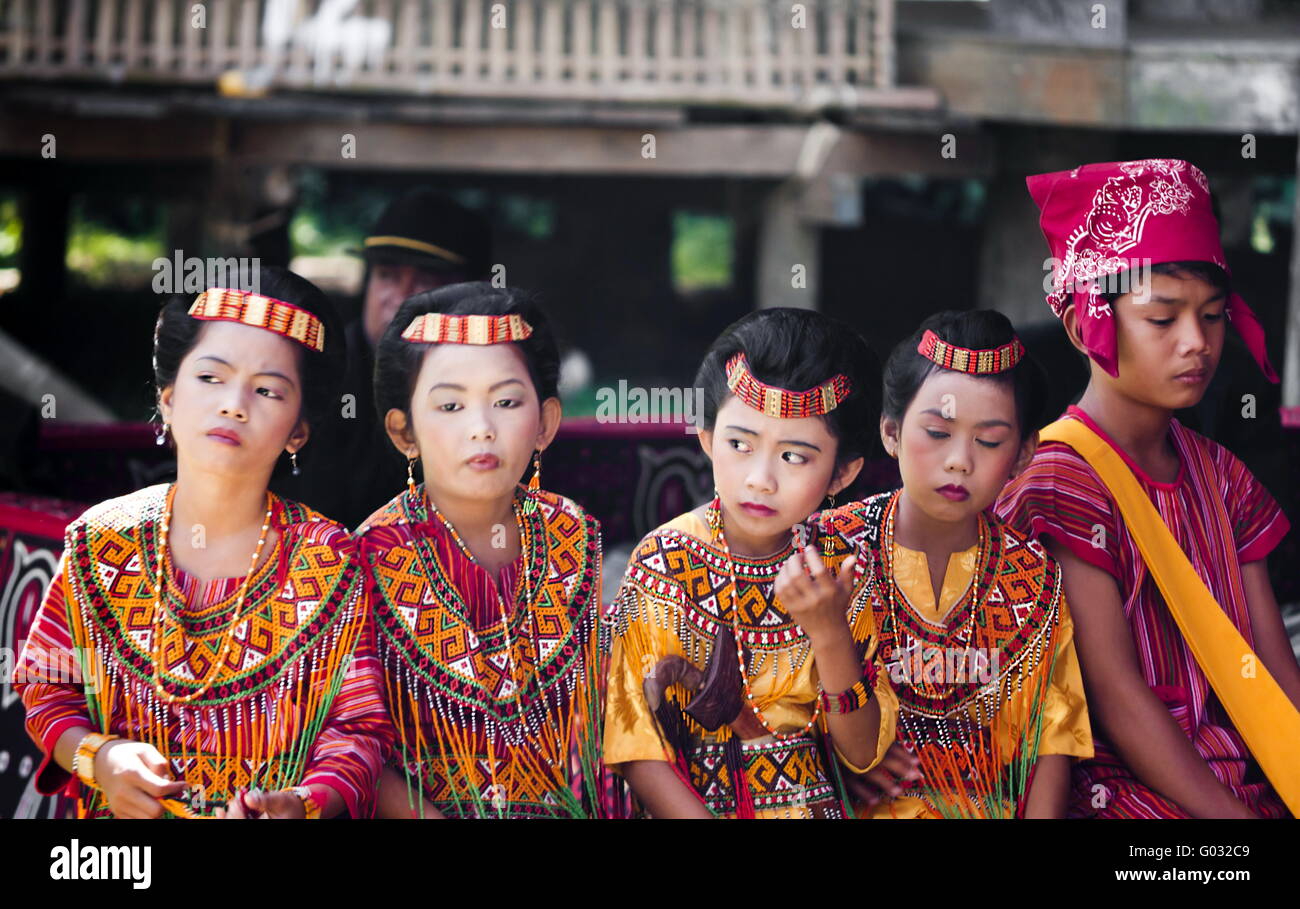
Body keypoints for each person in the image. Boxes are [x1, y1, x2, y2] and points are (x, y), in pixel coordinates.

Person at [15, 268, 389, 819]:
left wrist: (305, 804)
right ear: (167, 398)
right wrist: (102, 758)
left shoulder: (330, 561)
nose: (234, 404)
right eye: (211, 378)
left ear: (298, 432)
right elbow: (47, 691)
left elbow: (357, 731)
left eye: (267, 390)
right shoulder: (100, 542)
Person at [997, 158, 1300, 818]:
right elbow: (1115, 692)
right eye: (1162, 319)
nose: (1197, 343)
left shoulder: (1224, 477)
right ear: (1085, 328)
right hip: (1120, 792)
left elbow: (1271, 668)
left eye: (1214, 316)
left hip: (1252, 775)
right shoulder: (1058, 481)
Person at [603, 308, 897, 818]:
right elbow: (635, 749)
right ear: (707, 440)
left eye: (794, 456)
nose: (760, 478)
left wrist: (829, 632)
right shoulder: (665, 561)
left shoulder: (844, 569)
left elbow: (861, 751)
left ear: (842, 474)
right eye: (740, 444)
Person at [357, 283, 616, 818]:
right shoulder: (366, 560)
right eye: (450, 405)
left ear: (544, 423)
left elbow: (597, 726)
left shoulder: (574, 534)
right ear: (404, 433)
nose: (481, 429)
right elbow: (360, 748)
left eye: (505, 402)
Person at [822, 310, 1092, 818]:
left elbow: (1049, 746)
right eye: (937, 433)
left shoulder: (1033, 579)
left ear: (1022, 455)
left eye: (988, 441)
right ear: (891, 432)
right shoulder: (829, 552)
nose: (959, 461)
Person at [276, 189, 492, 528]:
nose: (401, 298)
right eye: (388, 276)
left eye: (424, 281)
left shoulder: (495, 393)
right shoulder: (309, 374)